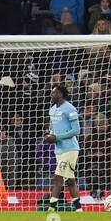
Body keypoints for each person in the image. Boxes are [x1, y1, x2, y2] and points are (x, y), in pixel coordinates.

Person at [43, 84, 82, 212]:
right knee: (70, 180)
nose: (51, 95)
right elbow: (53, 128)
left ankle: (51, 208)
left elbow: (76, 130)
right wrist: (49, 135)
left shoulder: (70, 109)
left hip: (70, 149)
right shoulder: (52, 109)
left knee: (58, 177)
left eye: (54, 92)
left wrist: (57, 137)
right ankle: (78, 209)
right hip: (59, 150)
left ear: (60, 94)